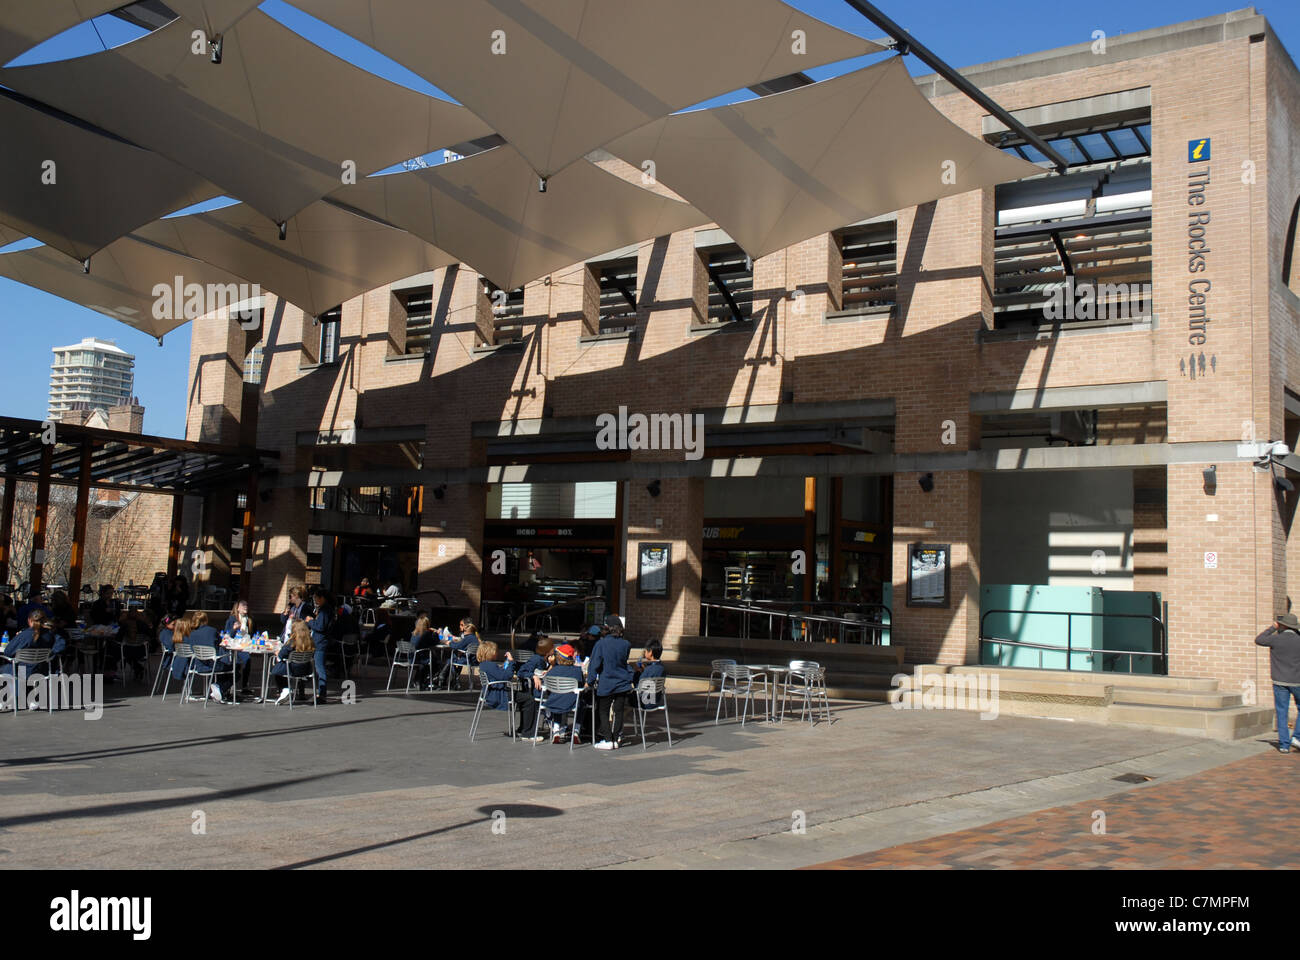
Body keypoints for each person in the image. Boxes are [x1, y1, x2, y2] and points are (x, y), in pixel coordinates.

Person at [586, 614, 634, 750]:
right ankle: (616, 738)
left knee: (603, 711)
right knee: (619, 711)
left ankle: (608, 739)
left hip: (606, 682)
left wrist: (589, 681)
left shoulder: (601, 644)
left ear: (607, 628)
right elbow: (623, 662)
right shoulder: (626, 644)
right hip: (622, 682)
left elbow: (594, 664)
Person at [1256, 612, 1300, 752]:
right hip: (1297, 681)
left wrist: (1272, 628)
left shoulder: (1276, 639)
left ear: (1281, 625)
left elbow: (1259, 639)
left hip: (1279, 680)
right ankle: (1297, 736)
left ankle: (1284, 745)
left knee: (1282, 711)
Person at [512, 638, 552, 740]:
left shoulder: (545, 659)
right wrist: (533, 676)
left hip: (540, 688)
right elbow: (521, 671)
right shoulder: (536, 659)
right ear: (548, 651)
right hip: (534, 690)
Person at [271, 620, 317, 705]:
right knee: (283, 665)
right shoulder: (311, 642)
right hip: (306, 669)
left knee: (277, 667)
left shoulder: (292, 642)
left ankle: (285, 689)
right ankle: (290, 691)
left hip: (292, 669)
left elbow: (281, 656)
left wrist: (278, 653)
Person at [475, 640, 518, 721]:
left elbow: (498, 674)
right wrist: (511, 662)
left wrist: (504, 666)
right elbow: (506, 676)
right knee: (528, 699)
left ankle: (523, 729)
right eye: (496, 651)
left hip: (490, 691)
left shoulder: (484, 664)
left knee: (525, 698)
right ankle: (526, 730)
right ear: (490, 653)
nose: (497, 653)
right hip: (497, 693)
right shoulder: (490, 665)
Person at [307, 588, 336, 703]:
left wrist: (310, 621)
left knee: (320, 667)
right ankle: (319, 692)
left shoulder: (325, 610)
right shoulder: (325, 609)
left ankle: (322, 694)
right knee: (318, 666)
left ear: (322, 598)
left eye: (316, 598)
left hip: (320, 642)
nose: (315, 601)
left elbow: (320, 627)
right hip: (319, 641)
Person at [443, 619, 480, 691]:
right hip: (474, 660)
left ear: (468, 631)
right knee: (453, 657)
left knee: (450, 659)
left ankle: (450, 679)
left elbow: (457, 646)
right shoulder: (475, 638)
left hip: (468, 660)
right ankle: (452, 680)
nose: (463, 632)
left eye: (465, 631)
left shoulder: (468, 638)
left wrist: (449, 643)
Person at [633, 639, 666, 707]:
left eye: (645, 651)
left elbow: (639, 687)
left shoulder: (648, 669)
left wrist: (637, 673)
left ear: (650, 652)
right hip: (656, 701)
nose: (644, 653)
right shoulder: (662, 668)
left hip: (644, 702)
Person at [408, 614, 438, 686]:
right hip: (420, 658)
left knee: (431, 659)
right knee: (435, 661)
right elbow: (434, 642)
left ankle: (418, 679)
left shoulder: (414, 633)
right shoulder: (426, 633)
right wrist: (435, 633)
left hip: (411, 657)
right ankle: (426, 680)